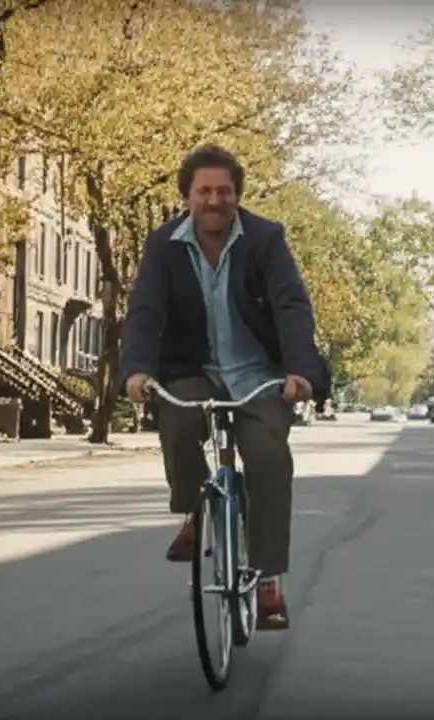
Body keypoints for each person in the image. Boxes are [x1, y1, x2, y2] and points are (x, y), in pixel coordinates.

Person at [120, 144, 329, 631]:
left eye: (224, 191)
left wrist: (299, 370)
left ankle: (269, 577)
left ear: (237, 194)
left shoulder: (265, 239)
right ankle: (196, 510)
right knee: (177, 421)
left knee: (267, 454)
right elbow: (145, 312)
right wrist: (137, 370)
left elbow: (291, 306)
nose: (215, 200)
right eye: (205, 191)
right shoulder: (163, 244)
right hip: (193, 368)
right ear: (188, 195)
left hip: (260, 375)